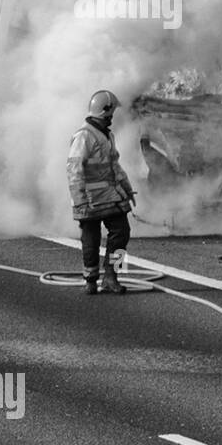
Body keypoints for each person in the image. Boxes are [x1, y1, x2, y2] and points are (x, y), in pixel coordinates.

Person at [67, 90, 136, 295]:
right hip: (89, 201)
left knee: (122, 233)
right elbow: (73, 169)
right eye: (111, 114)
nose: (112, 118)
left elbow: (115, 167)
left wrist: (127, 188)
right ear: (104, 112)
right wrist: (79, 201)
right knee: (91, 240)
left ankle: (112, 276)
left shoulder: (107, 136)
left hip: (109, 198)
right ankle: (90, 279)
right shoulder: (84, 137)